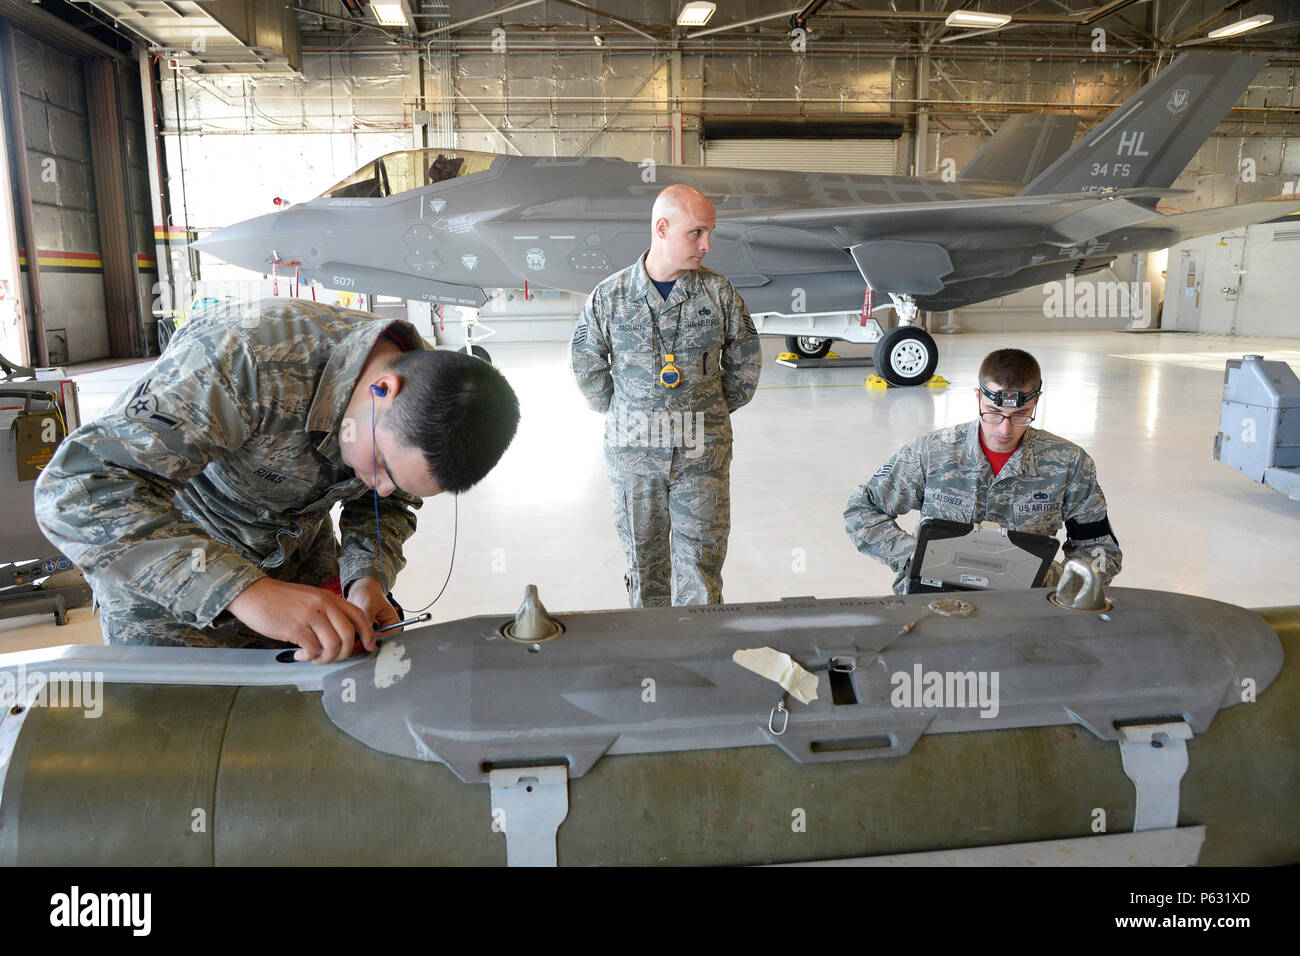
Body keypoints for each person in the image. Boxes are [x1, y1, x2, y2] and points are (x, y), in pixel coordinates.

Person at [34, 298, 519, 662]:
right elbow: (77, 489)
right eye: (384, 467)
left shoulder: (431, 398)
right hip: (175, 561)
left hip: (297, 554)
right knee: (179, 744)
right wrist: (244, 591)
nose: (384, 487)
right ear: (382, 390)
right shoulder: (242, 359)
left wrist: (366, 577)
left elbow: (388, 502)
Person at [570, 184, 762, 606]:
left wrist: (705, 410)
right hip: (634, 457)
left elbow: (746, 366)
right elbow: (587, 369)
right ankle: (652, 663)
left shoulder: (719, 293)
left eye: (710, 233)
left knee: (701, 571)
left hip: (701, 455)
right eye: (696, 233)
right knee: (645, 569)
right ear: (662, 228)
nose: (707, 245)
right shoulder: (610, 297)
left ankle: (702, 660)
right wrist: (629, 411)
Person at [844, 347, 1120, 593]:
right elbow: (862, 511)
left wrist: (1050, 579)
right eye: (993, 412)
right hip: (932, 601)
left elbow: (1101, 549)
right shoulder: (932, 453)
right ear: (977, 396)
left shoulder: (1068, 463)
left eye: (1020, 415)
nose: (1004, 429)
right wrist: (914, 557)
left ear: (1037, 401)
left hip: (1024, 605)